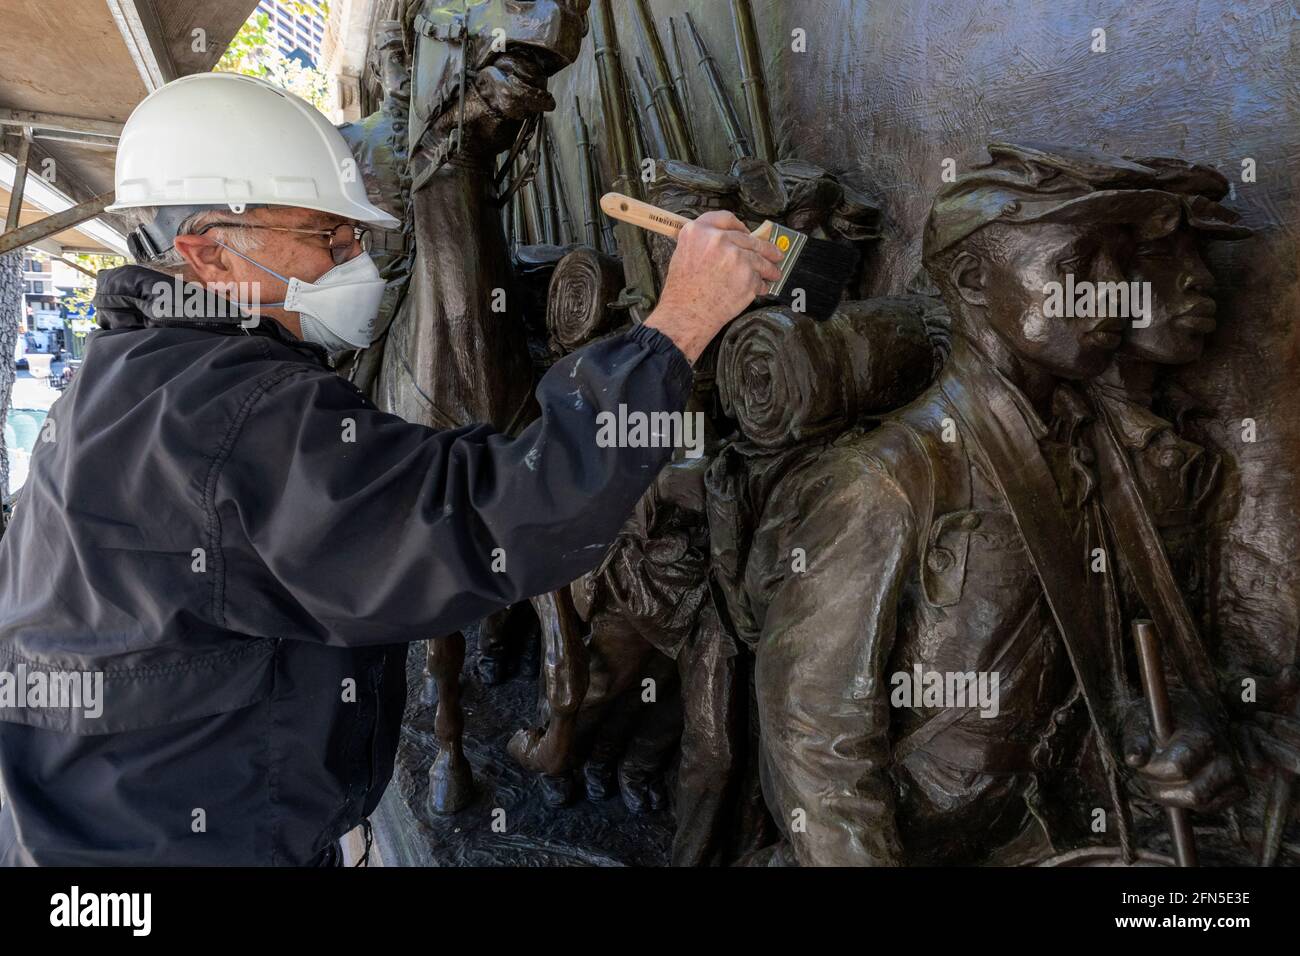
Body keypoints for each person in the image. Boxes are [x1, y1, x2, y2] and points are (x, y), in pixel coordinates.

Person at [0, 72, 783, 865]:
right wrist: (679, 324)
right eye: (326, 238)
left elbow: (420, 486)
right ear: (210, 251)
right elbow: (492, 518)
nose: (352, 262)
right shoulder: (230, 412)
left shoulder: (125, 377)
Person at [749, 144, 1242, 865]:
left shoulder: (1093, 452)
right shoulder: (888, 481)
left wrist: (1172, 736)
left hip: (1039, 839)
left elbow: (1116, 667)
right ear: (975, 280)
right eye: (1077, 267)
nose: (1110, 293)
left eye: (1119, 264)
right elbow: (816, 746)